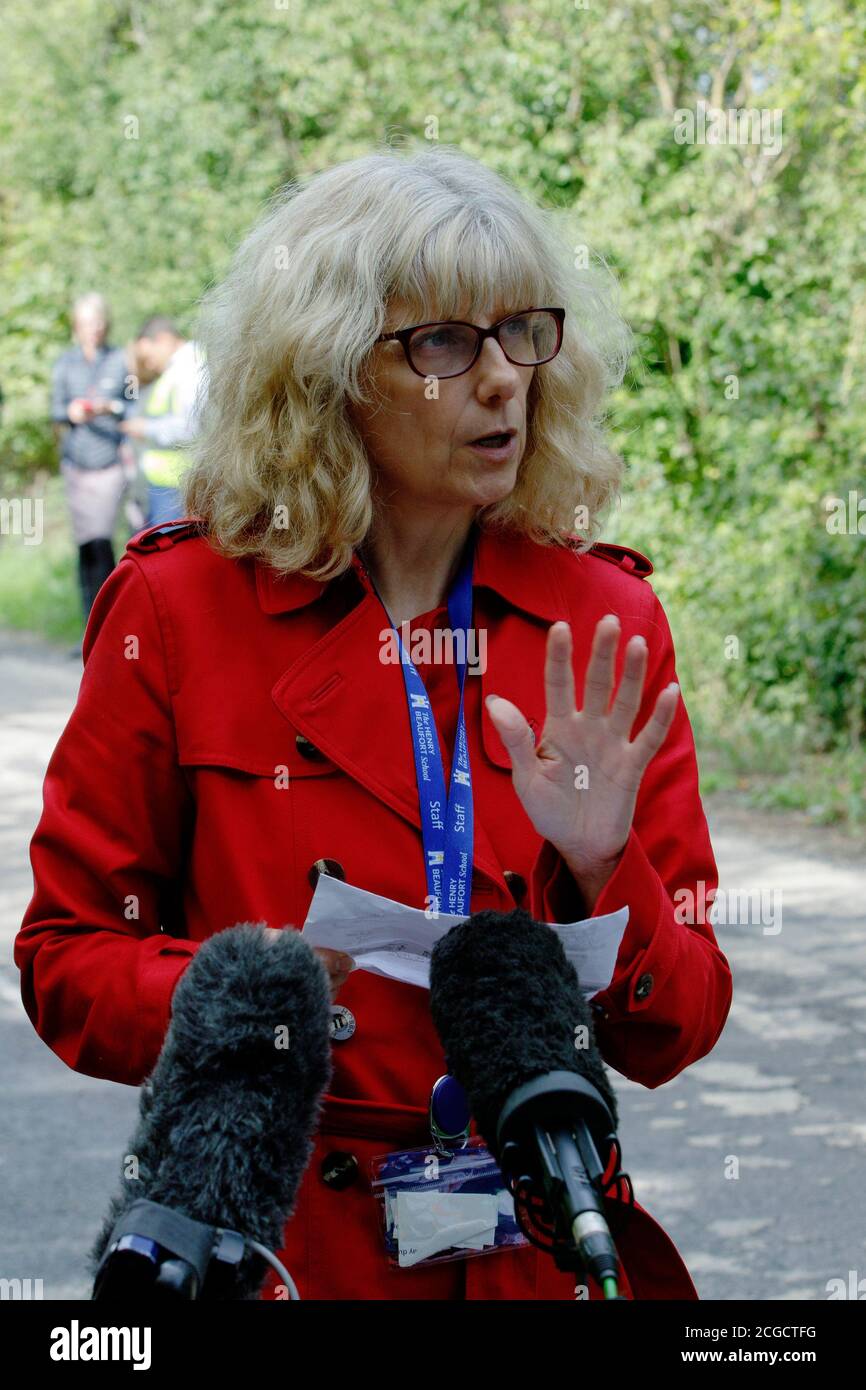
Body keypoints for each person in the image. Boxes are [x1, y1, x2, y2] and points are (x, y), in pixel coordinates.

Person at [16, 146, 732, 1301]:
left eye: (522, 332)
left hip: (538, 1247)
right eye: (445, 343)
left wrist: (607, 867)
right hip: (282, 1252)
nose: (504, 378)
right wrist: (241, 993)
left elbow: (679, 1020)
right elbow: (66, 961)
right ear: (327, 372)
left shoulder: (602, 619)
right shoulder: (177, 610)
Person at [50, 293, 131, 632]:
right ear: (77, 327)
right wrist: (70, 413)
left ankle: (108, 625)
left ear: (105, 324)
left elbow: (130, 404)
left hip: (108, 464)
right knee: (86, 547)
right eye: (85, 324)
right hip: (76, 466)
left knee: (101, 541)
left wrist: (106, 408)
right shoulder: (65, 364)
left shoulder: (119, 360)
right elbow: (55, 410)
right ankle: (89, 627)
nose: (92, 329)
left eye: (97, 322)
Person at [120, 317, 206, 525]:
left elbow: (191, 427)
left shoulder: (190, 368)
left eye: (148, 355)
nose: (148, 363)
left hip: (177, 488)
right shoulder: (176, 370)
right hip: (168, 486)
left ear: (164, 339)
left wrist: (145, 428)